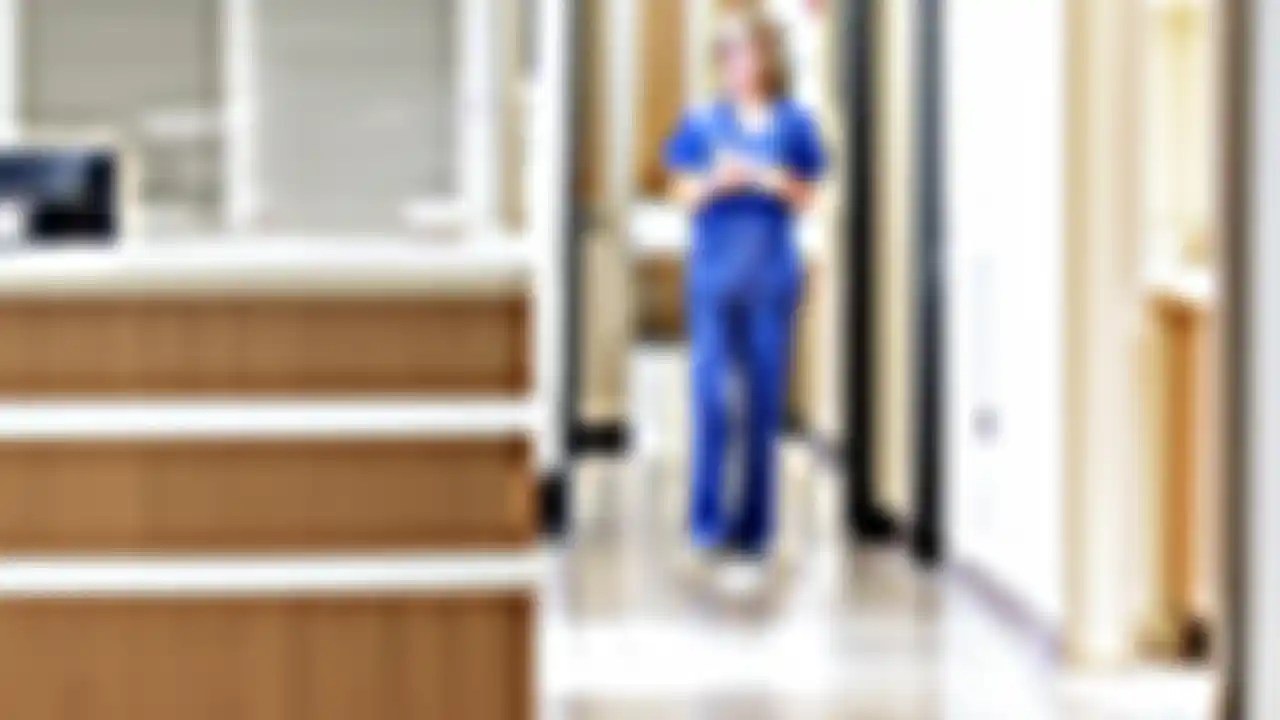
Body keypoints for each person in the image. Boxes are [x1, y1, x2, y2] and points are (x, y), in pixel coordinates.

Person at [665, 10, 826, 563]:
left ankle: (754, 527)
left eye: (747, 54)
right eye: (728, 55)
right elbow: (682, 194)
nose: (737, 65)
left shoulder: (793, 124)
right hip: (713, 279)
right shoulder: (703, 123)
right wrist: (716, 180)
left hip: (770, 279)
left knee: (762, 404)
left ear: (766, 58)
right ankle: (706, 523)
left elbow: (809, 195)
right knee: (711, 399)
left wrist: (763, 178)